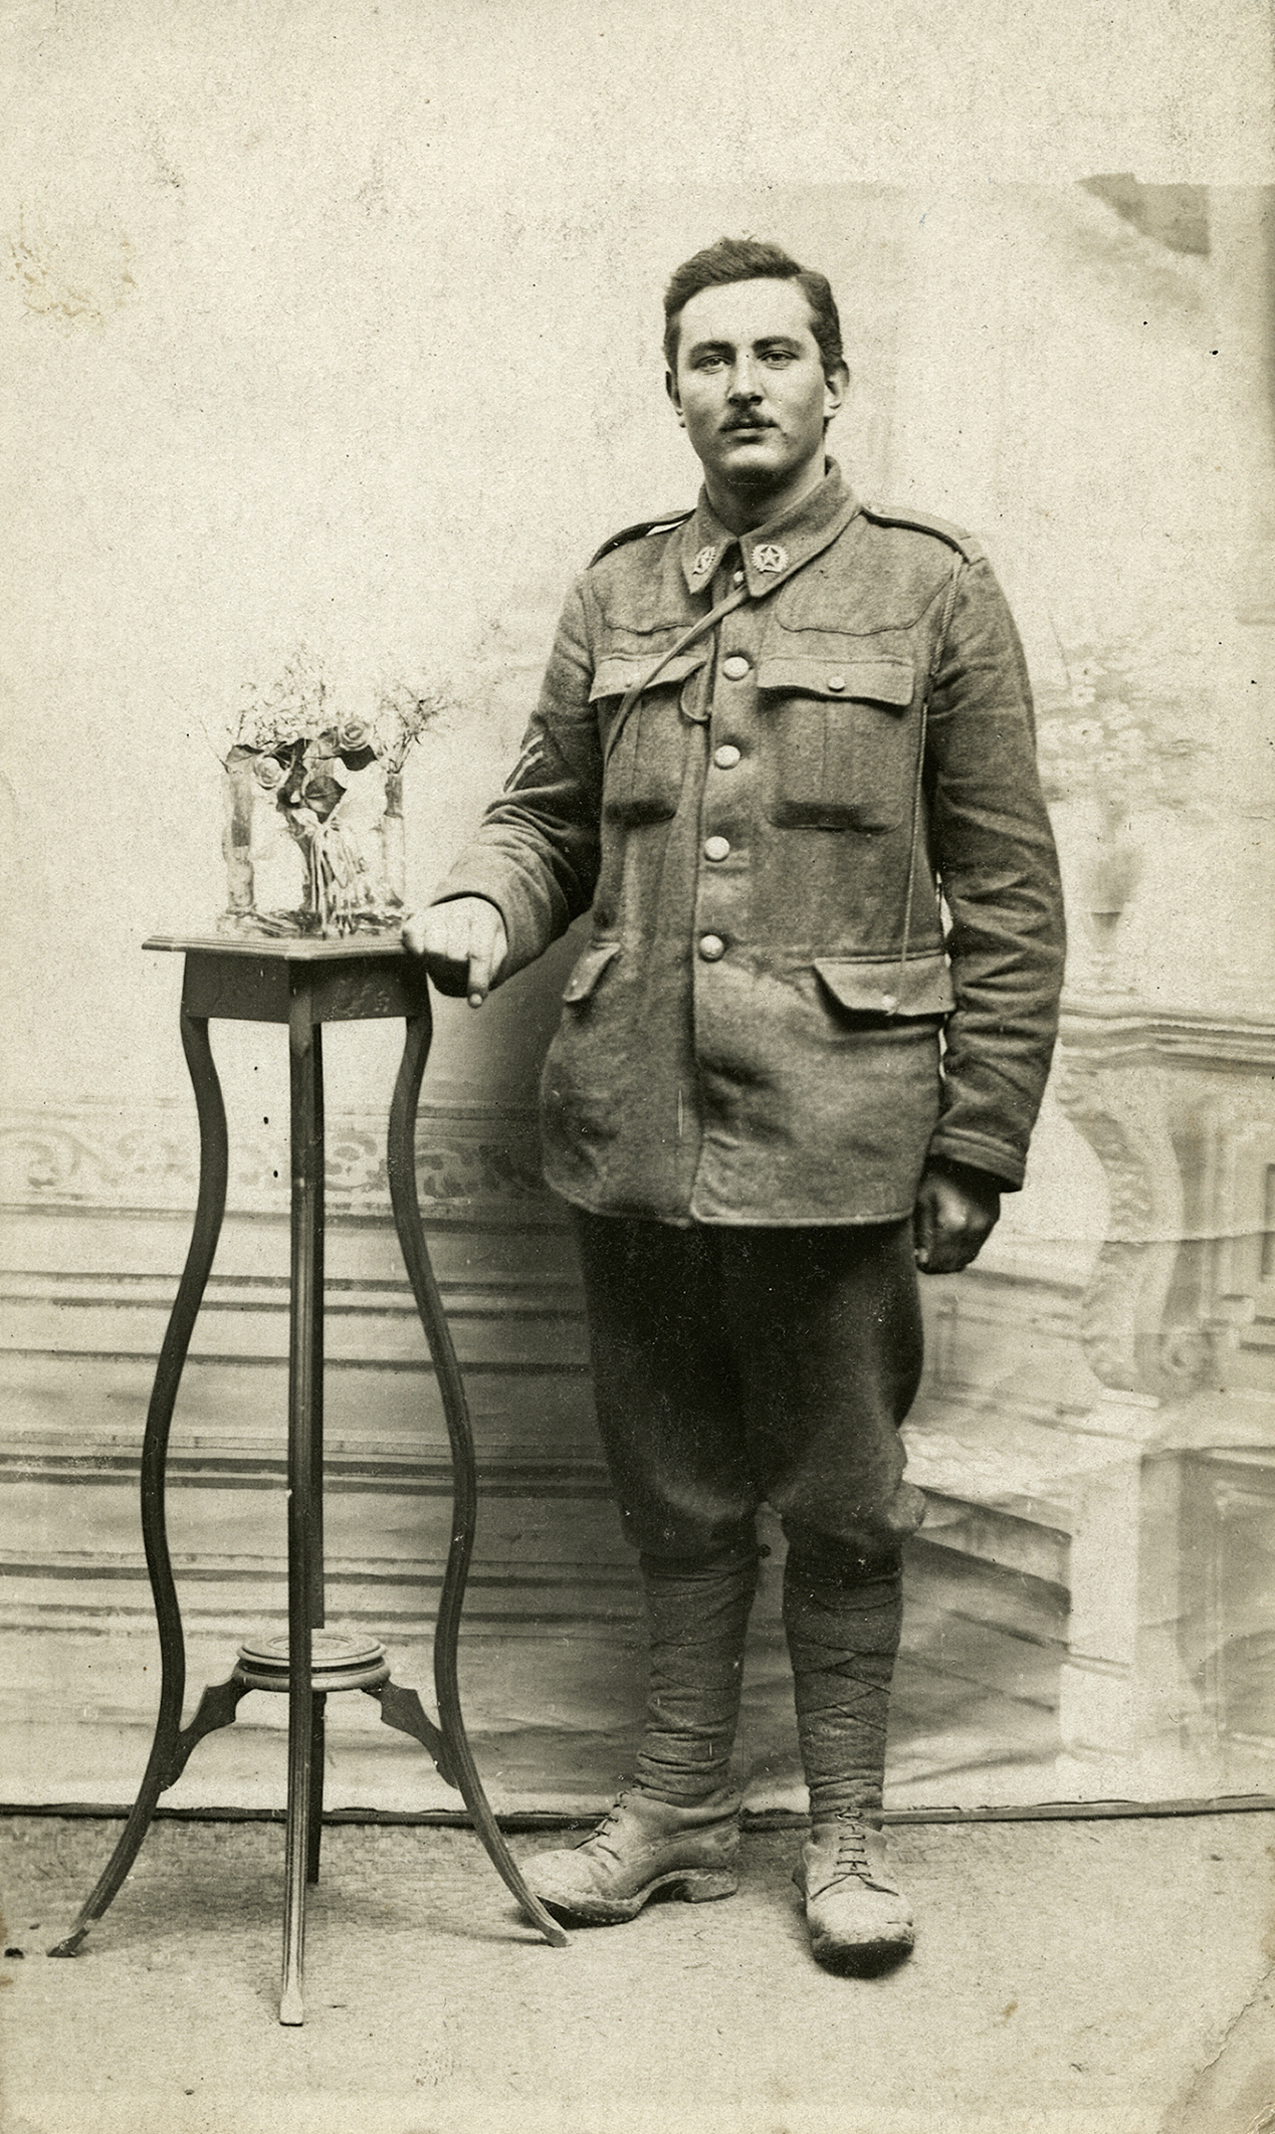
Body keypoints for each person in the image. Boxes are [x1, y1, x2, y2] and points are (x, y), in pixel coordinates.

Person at [403, 236, 1065, 1976]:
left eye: (779, 352)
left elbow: (1008, 892)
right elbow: (546, 809)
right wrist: (482, 904)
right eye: (711, 357)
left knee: (844, 1495)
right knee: (676, 1486)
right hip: (632, 1121)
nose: (744, 382)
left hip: (844, 1135)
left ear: (835, 382)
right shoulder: (620, 590)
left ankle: (844, 1828)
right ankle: (683, 1805)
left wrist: (978, 1137)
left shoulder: (934, 593)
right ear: (673, 387)